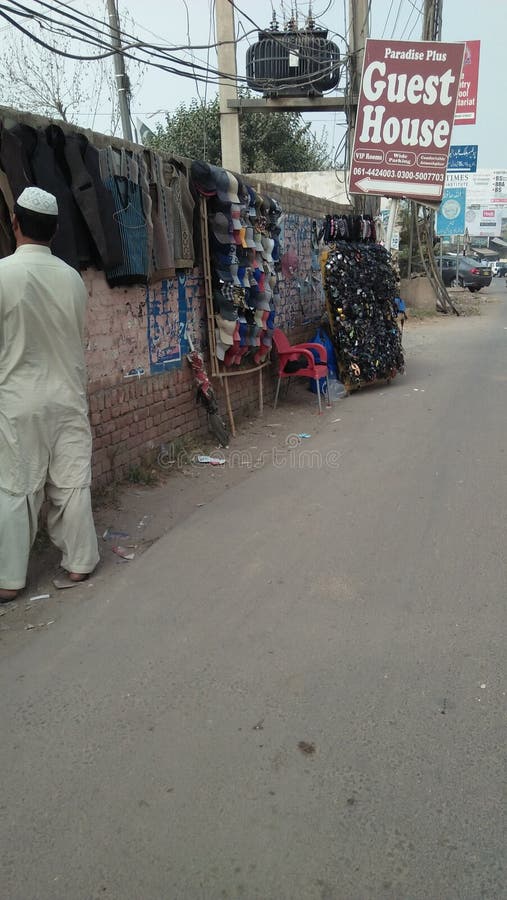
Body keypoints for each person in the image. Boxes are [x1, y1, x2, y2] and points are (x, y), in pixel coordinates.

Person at [0, 187, 99, 600]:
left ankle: (8, 580)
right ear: (55, 230)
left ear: (16, 223)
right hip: (68, 396)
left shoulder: (3, 273)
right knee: (72, 481)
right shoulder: (72, 278)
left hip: (19, 400)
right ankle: (79, 564)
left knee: (16, 487)